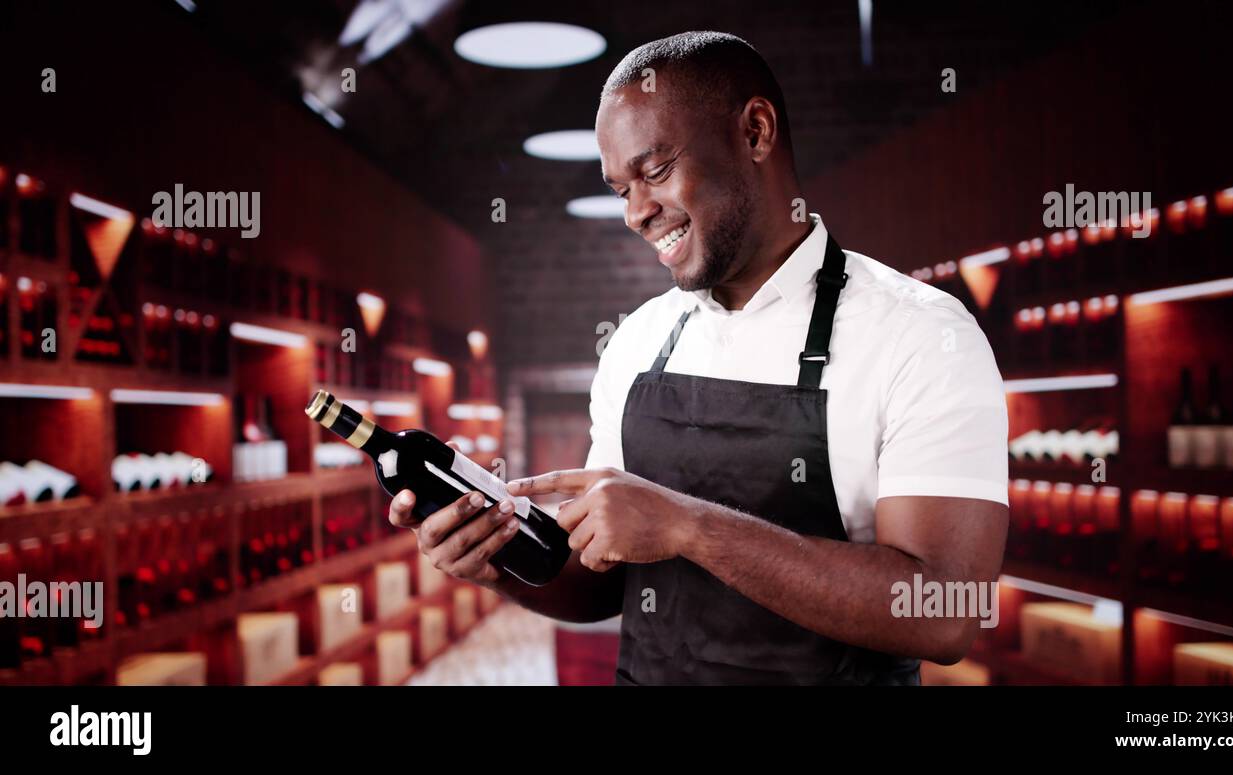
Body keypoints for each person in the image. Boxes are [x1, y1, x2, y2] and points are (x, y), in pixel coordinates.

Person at [390, 31, 1008, 685]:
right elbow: (605, 586)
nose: (635, 212)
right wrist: (497, 561)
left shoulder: (919, 334)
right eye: (620, 187)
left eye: (654, 171)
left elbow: (945, 612)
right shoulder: (636, 343)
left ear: (756, 131)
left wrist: (689, 526)